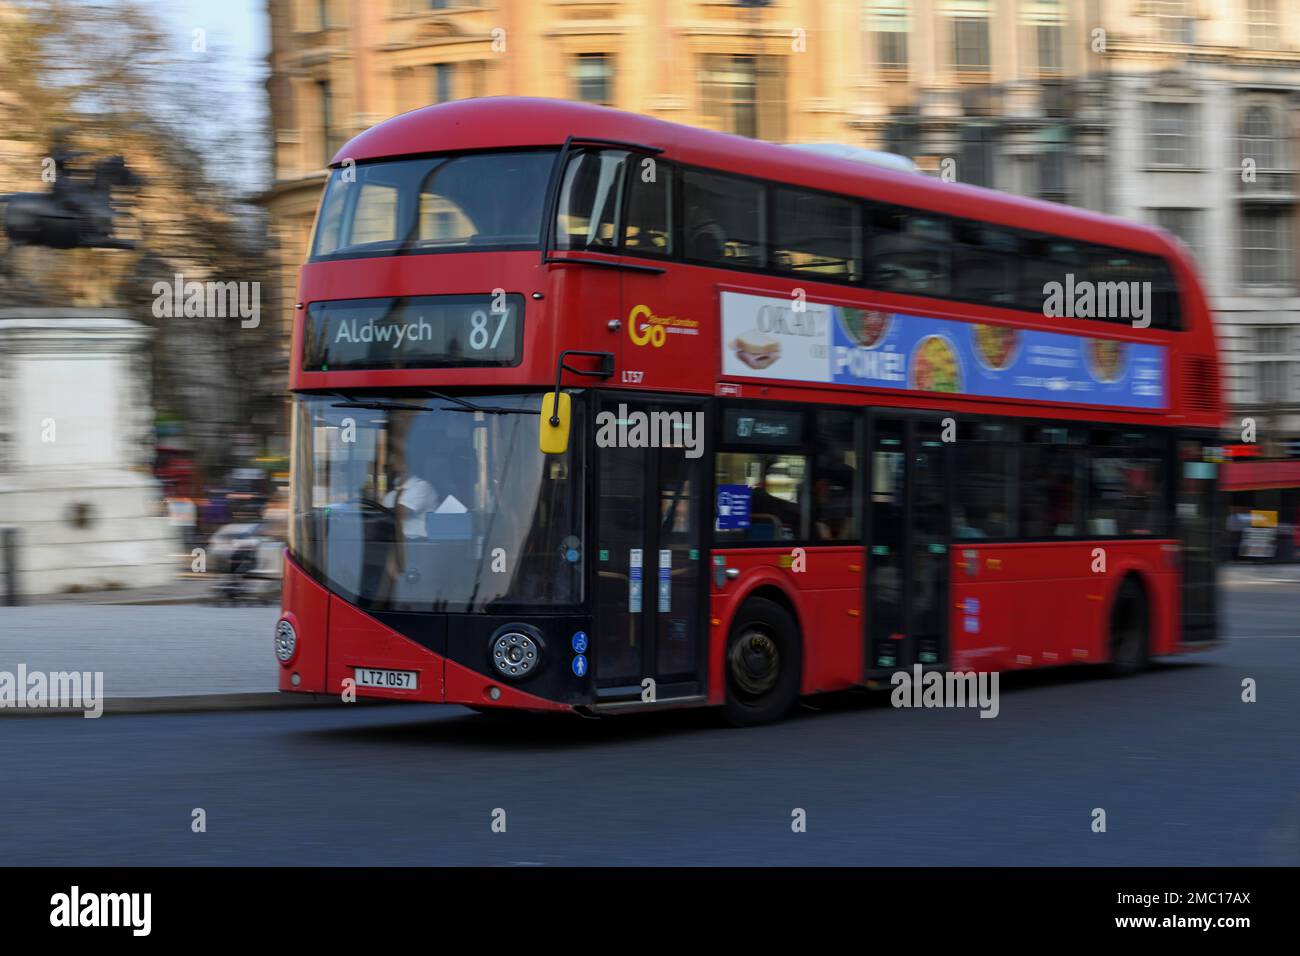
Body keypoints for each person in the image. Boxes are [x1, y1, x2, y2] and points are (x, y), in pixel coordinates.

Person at [383, 445, 439, 539]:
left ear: (405, 466)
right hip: (392, 542)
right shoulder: (391, 494)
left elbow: (402, 513)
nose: (390, 467)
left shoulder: (422, 487)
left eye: (394, 462)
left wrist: (379, 513)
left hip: (416, 545)